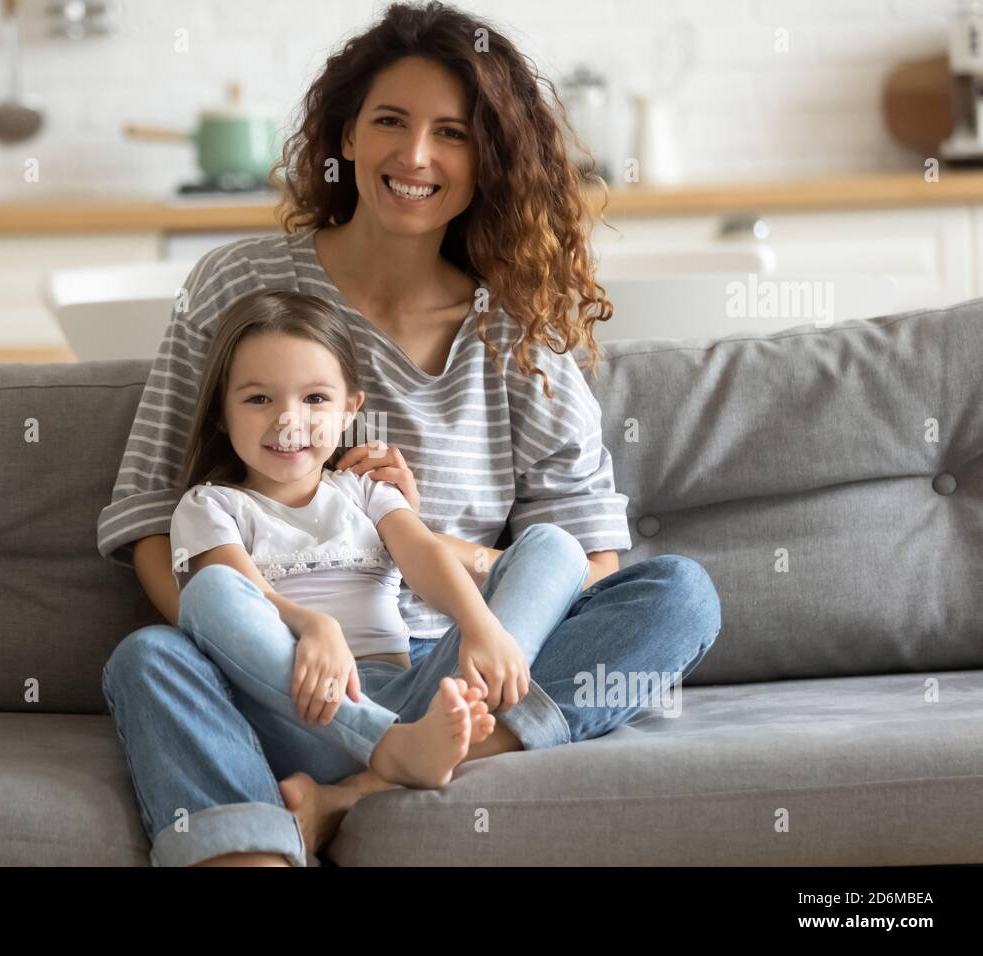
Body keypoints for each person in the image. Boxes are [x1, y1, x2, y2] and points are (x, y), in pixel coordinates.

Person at [99, 1, 722, 867]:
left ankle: (362, 790)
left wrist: (421, 545)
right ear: (347, 134)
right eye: (391, 121)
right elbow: (149, 523)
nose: (416, 155)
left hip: (456, 680)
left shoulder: (517, 324)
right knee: (149, 657)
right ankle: (271, 841)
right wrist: (270, 644)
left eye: (452, 134)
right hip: (279, 675)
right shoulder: (238, 283)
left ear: (488, 158)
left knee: (679, 595)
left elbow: (586, 555)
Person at [167, 287, 594, 791]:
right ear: (222, 412)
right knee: (208, 588)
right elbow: (237, 594)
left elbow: (423, 553)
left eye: (315, 399)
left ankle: (433, 733)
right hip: (302, 715)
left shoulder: (367, 490)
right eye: (259, 399)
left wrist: (482, 625)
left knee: (555, 546)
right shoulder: (210, 506)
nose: (288, 420)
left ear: (350, 410)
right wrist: (314, 625)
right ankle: (393, 750)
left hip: (408, 699)